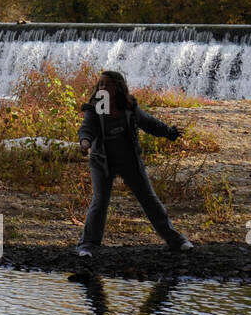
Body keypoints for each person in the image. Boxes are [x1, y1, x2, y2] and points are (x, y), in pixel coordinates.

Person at [76, 70, 193, 257]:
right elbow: (87, 129)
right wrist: (84, 143)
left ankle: (177, 241)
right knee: (100, 202)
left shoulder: (129, 107)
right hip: (102, 162)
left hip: (129, 162)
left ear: (118, 87)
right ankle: (87, 246)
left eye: (106, 84)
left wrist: (170, 133)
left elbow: (149, 123)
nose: (102, 88)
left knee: (149, 200)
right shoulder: (97, 108)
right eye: (100, 84)